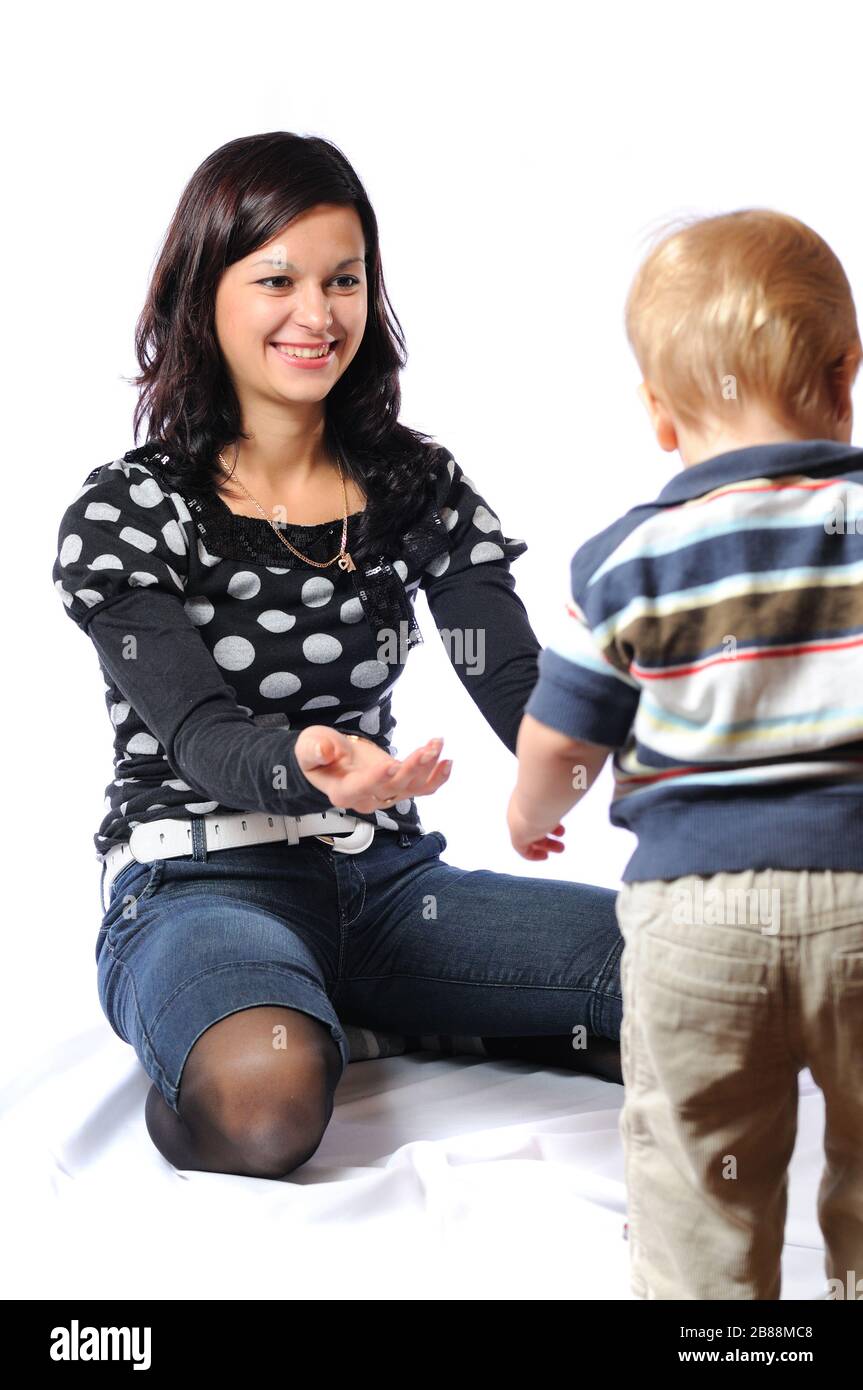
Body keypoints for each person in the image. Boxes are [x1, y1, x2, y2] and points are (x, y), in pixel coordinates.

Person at [51, 131, 625, 1180]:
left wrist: (660, 742)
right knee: (262, 1103)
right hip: (199, 882)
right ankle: (245, 1015)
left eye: (343, 279)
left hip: (389, 889)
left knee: (696, 974)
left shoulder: (413, 486)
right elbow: (199, 731)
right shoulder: (124, 511)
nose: (317, 315)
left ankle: (378, 1002)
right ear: (203, 294)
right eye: (277, 279)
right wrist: (309, 759)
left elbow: (509, 680)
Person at [506, 207, 863, 1299]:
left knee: (695, 1182)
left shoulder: (625, 561)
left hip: (694, 926)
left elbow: (565, 735)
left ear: (659, 418)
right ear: (847, 370)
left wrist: (531, 811)